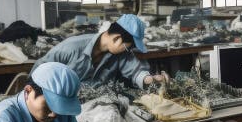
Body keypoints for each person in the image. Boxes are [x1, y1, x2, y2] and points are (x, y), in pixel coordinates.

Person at [32, 14, 167, 89]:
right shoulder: (71, 48)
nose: (128, 51)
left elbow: (135, 71)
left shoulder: (120, 54)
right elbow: (38, 73)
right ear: (117, 39)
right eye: (128, 47)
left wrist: (151, 79)